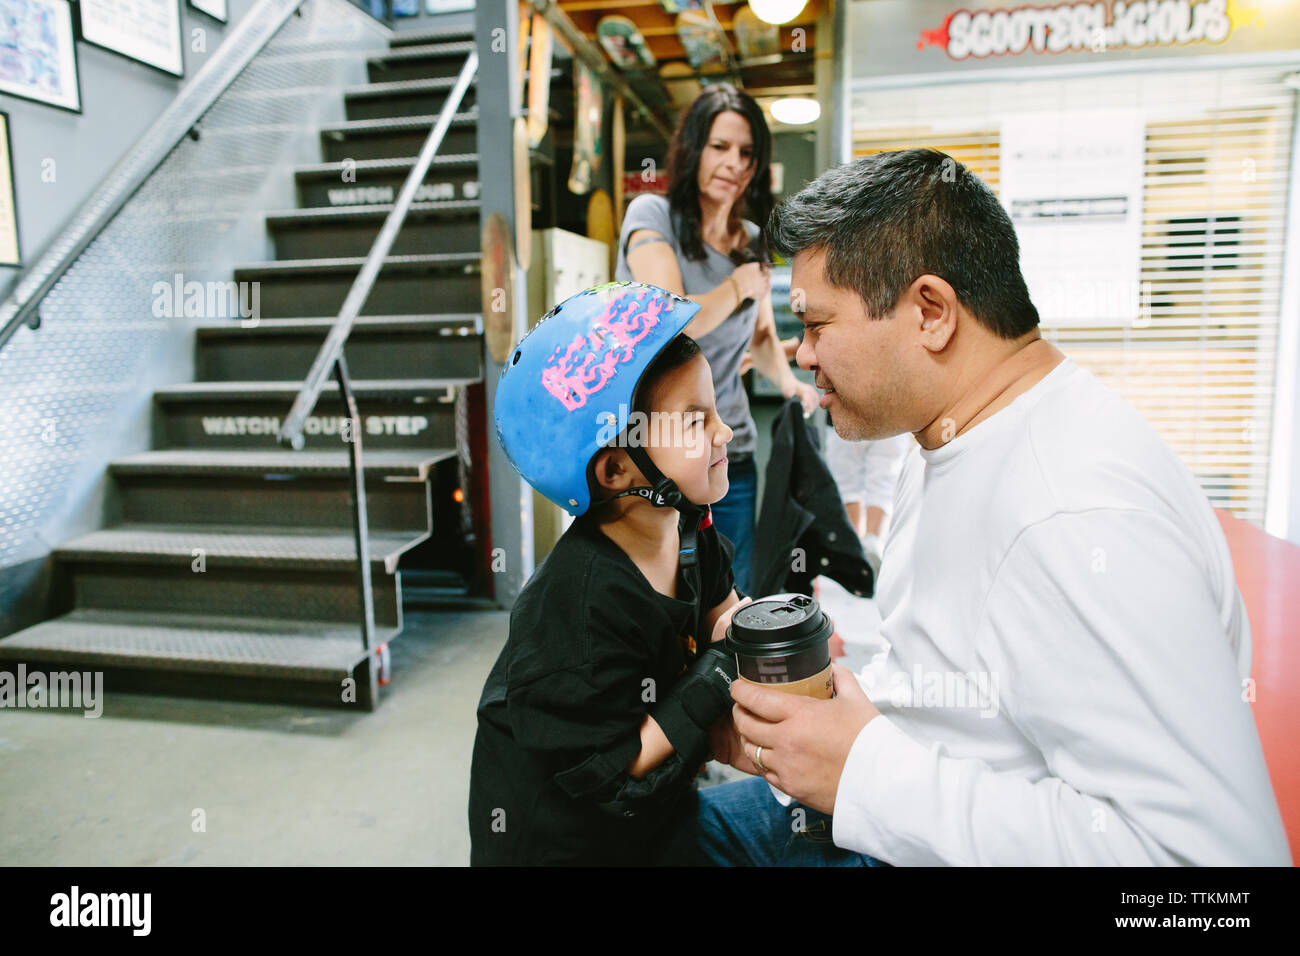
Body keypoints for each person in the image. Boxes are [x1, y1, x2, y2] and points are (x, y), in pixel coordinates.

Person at [698, 149, 1290, 865]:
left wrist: (866, 771)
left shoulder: (1073, 514)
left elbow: (1210, 874)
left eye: (818, 324)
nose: (802, 353)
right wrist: (824, 720)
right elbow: (955, 680)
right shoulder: (955, 431)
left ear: (931, 312)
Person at [468, 281, 751, 866]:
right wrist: (718, 673)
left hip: (654, 824)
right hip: (564, 845)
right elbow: (618, 767)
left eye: (716, 409)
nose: (724, 432)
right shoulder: (578, 608)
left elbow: (723, 607)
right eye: (696, 422)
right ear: (618, 468)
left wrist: (766, 640)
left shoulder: (689, 531)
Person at [615, 82, 817, 595]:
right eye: (720, 147)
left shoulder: (750, 239)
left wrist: (789, 384)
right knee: (657, 602)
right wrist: (735, 286)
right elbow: (667, 318)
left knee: (730, 598)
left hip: (730, 453)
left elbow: (762, 338)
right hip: (653, 454)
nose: (733, 163)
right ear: (694, 149)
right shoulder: (650, 216)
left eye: (746, 153)